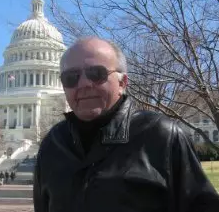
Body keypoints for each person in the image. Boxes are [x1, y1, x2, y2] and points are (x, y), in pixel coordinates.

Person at [33, 37, 219, 212]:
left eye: (96, 74)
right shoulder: (53, 144)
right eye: (71, 77)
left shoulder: (162, 135)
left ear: (123, 82)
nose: (83, 84)